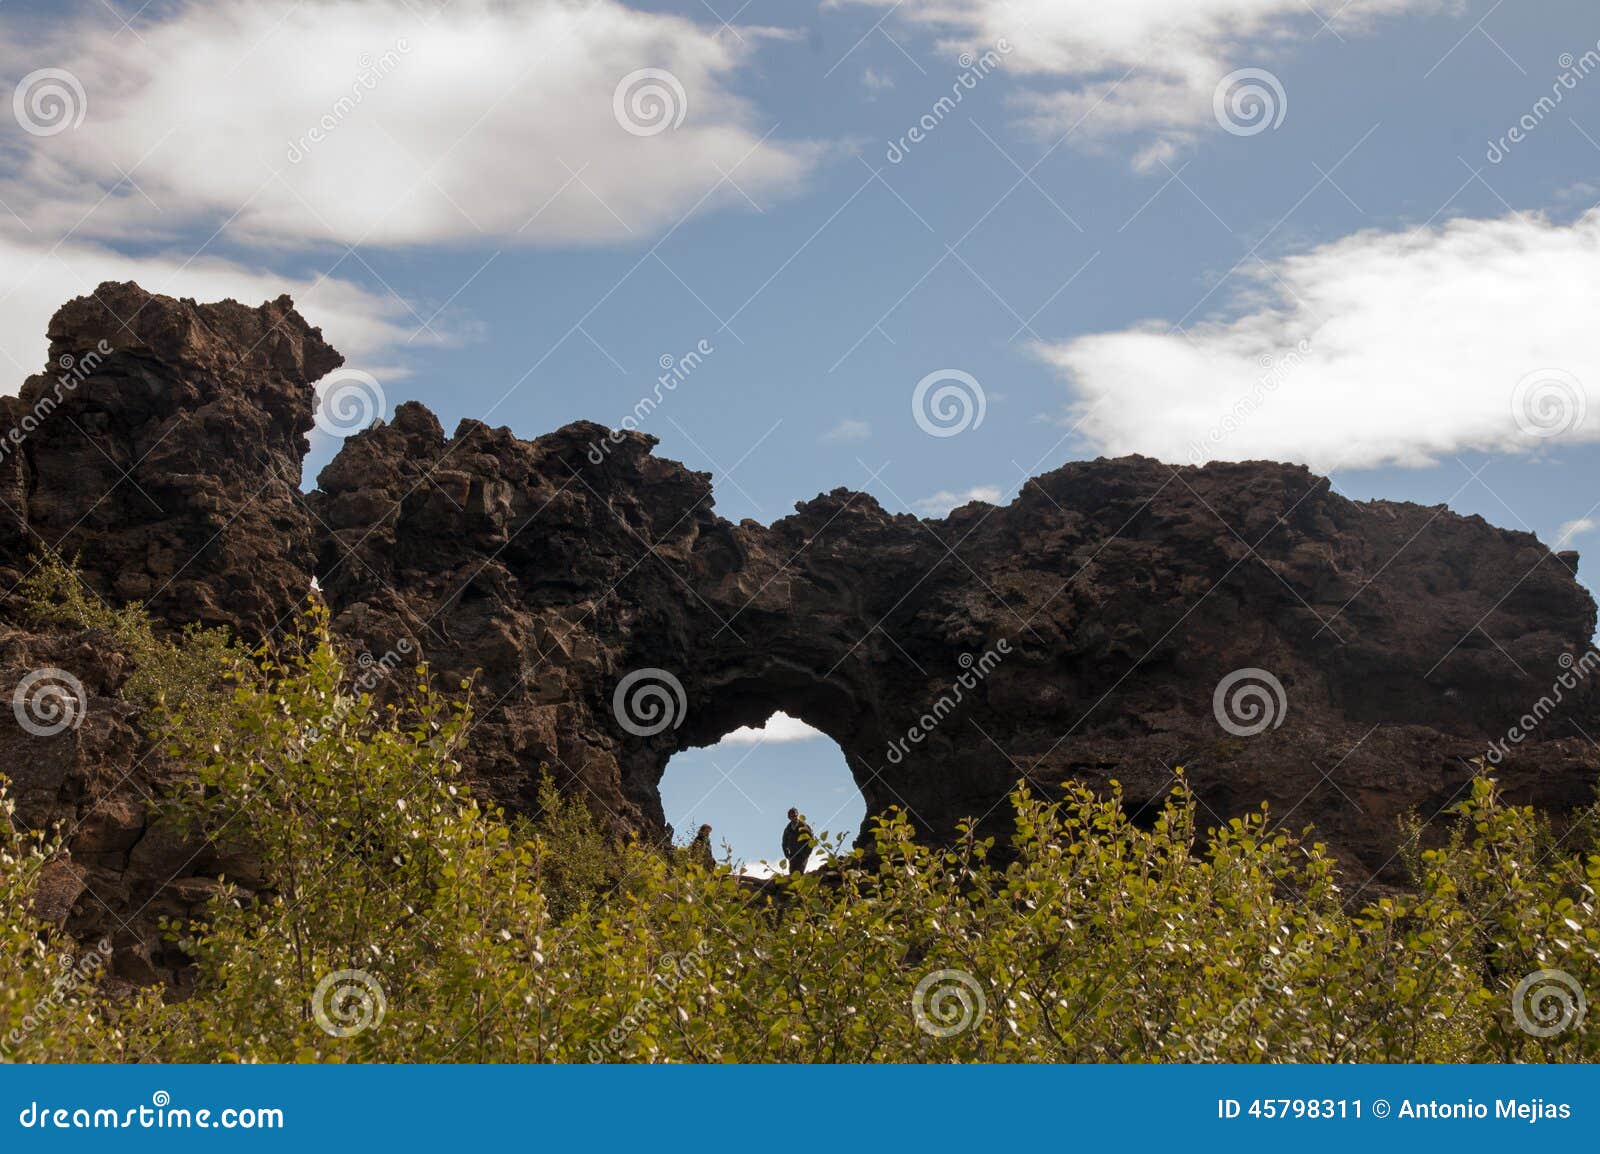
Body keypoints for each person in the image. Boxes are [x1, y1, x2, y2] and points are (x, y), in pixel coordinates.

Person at [781, 807, 813, 877]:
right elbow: (784, 844)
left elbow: (811, 840)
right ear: (789, 817)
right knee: (792, 874)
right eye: (792, 816)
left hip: (802, 856)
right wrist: (787, 855)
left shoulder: (804, 826)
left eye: (795, 815)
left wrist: (806, 854)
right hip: (793, 856)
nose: (794, 817)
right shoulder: (787, 829)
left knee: (800, 872)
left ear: (797, 815)